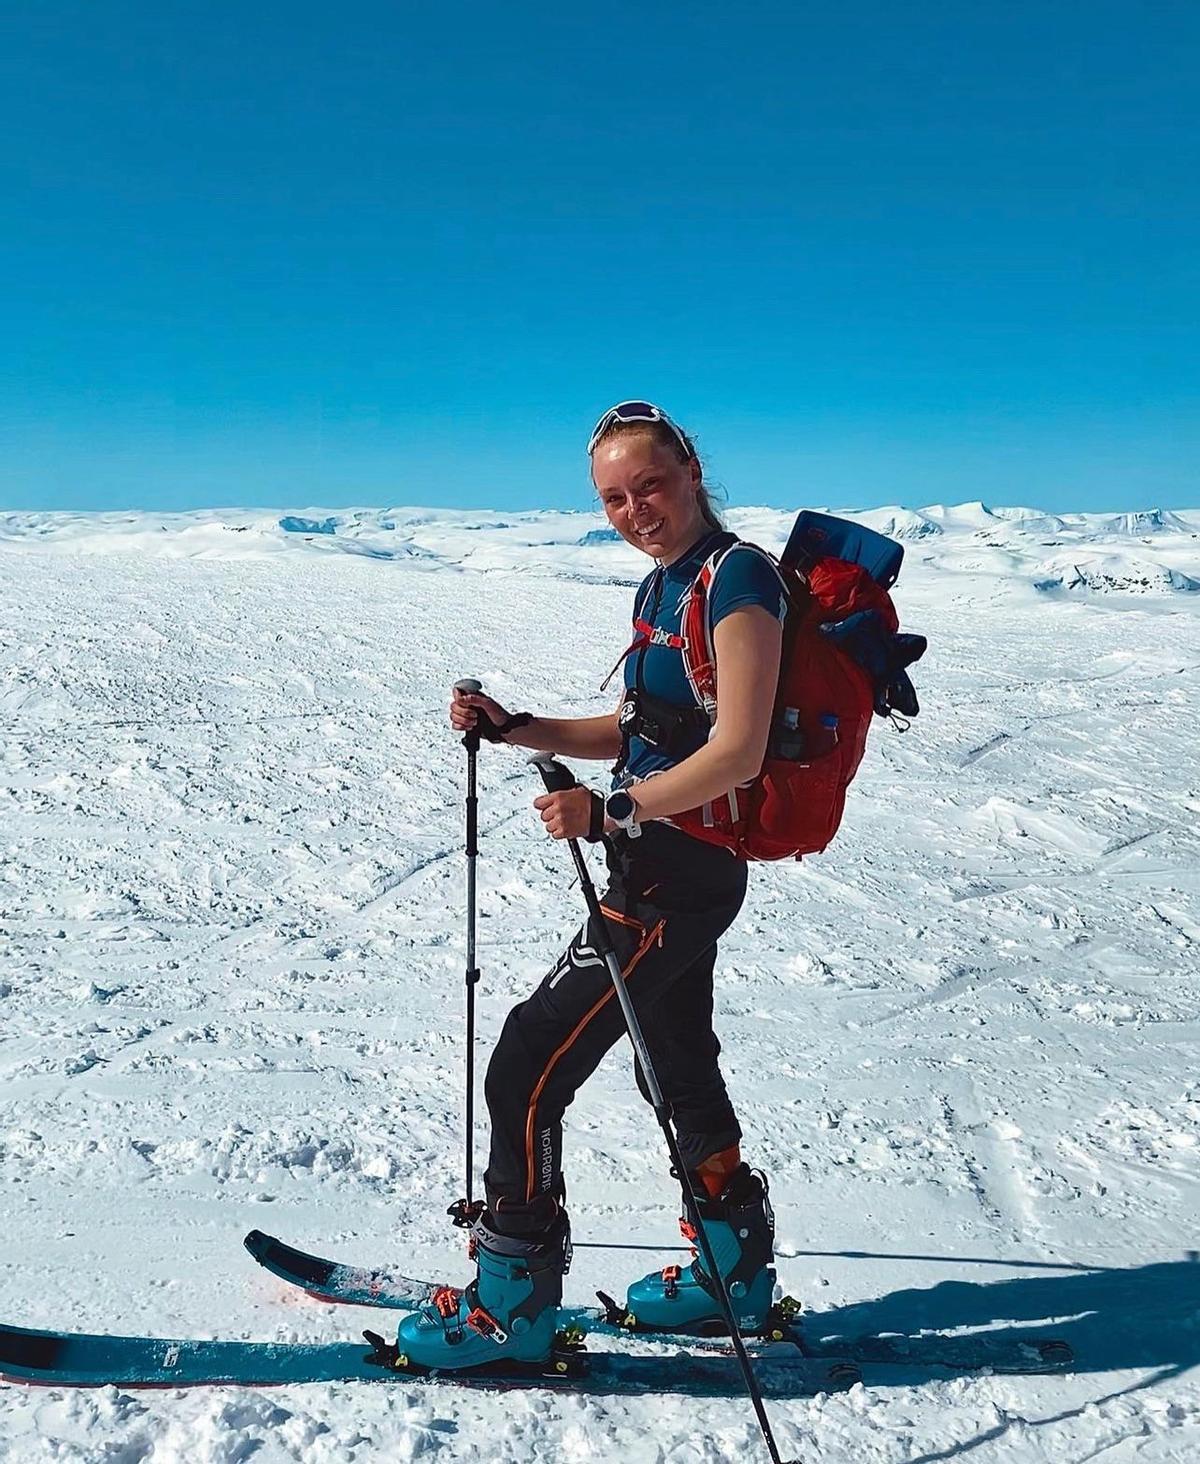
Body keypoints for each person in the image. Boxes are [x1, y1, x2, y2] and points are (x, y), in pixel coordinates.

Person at [395, 401, 788, 1370]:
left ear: (692, 471)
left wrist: (613, 813)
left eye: (649, 485)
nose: (635, 508)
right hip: (661, 864)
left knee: (526, 1064)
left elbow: (736, 753)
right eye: (614, 497)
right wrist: (519, 725)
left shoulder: (739, 581)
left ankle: (514, 1303)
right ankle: (732, 1272)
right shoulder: (668, 586)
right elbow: (641, 732)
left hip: (674, 877)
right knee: (677, 1060)